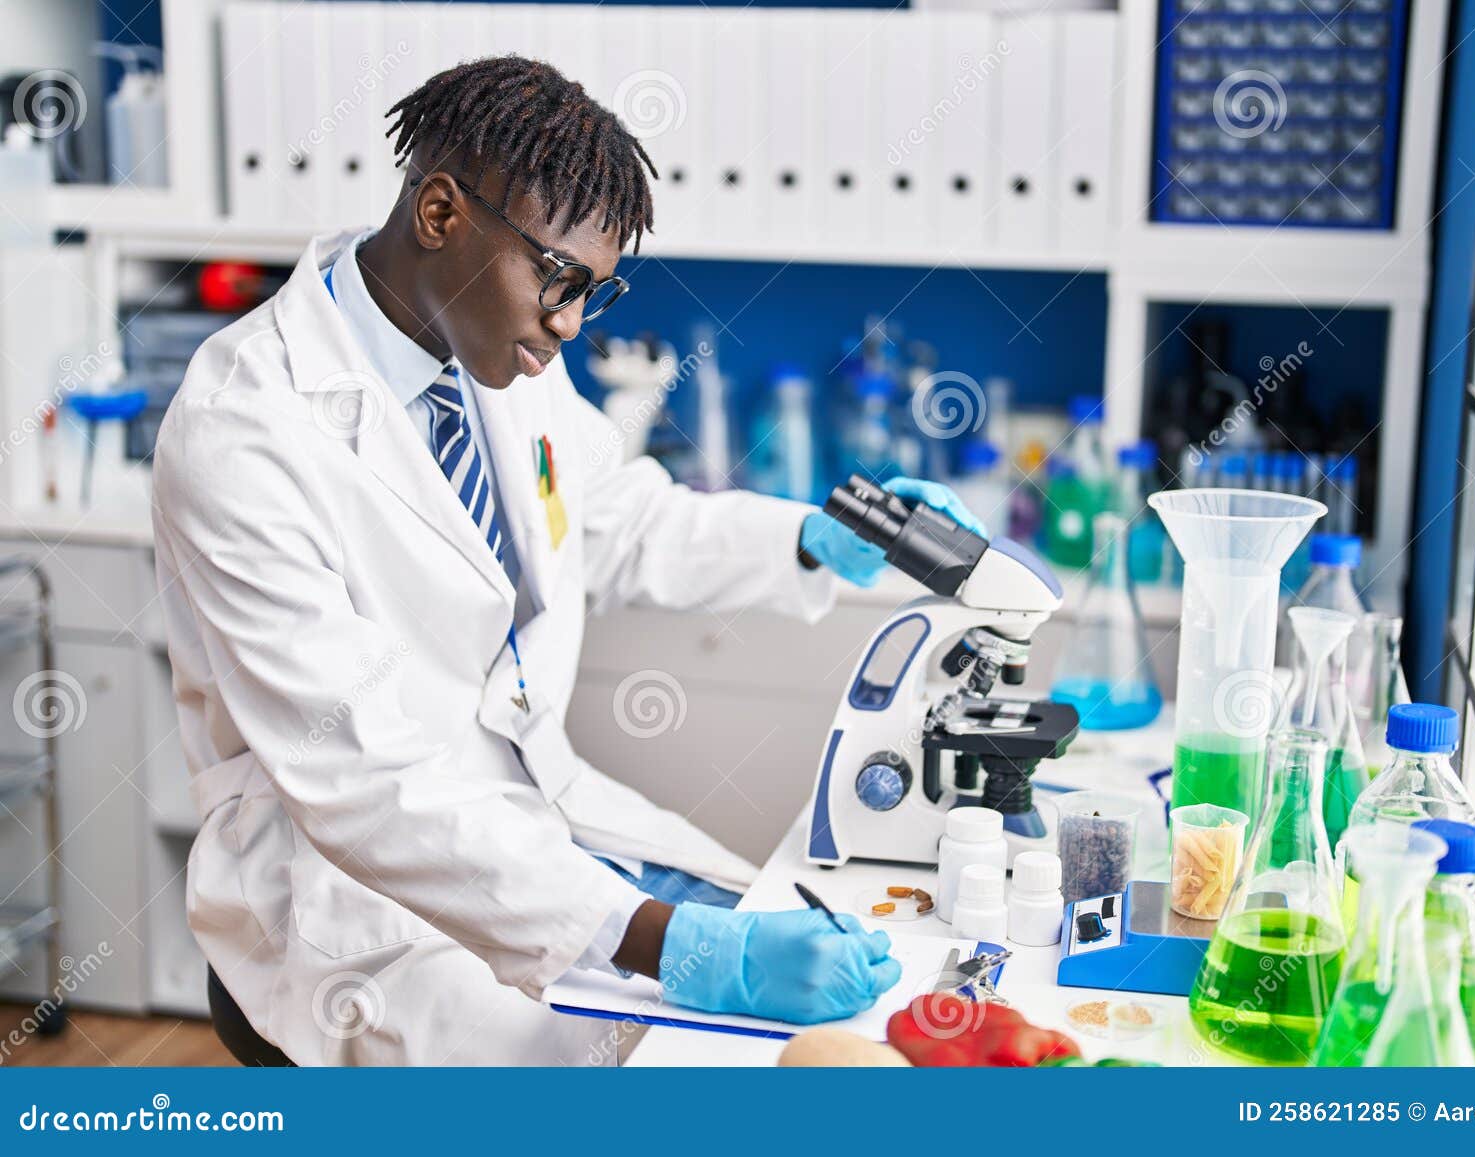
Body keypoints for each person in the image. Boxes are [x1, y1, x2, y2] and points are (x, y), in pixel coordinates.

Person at [153, 54, 984, 1064]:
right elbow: (365, 783)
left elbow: (617, 517)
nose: (570, 323)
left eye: (595, 289)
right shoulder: (244, 429)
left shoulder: (498, 353)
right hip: (353, 899)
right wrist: (678, 945)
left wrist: (808, 537)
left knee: (796, 987)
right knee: (664, 1065)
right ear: (441, 213)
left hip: (543, 815)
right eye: (558, 280)